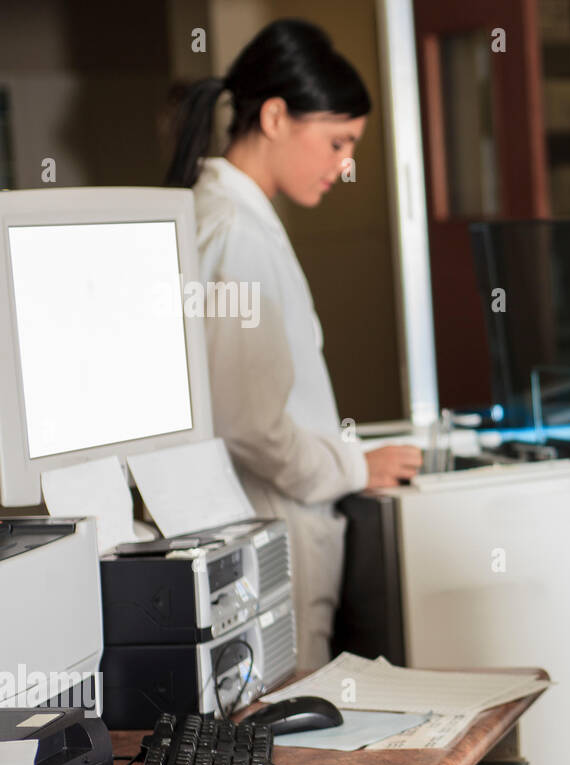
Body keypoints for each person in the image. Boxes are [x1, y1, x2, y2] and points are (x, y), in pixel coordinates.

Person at [165, 19, 422, 669]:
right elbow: (249, 424)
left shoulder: (234, 219)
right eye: (338, 142)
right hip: (273, 544)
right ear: (276, 116)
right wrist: (356, 465)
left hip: (277, 542)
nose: (347, 165)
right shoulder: (234, 233)